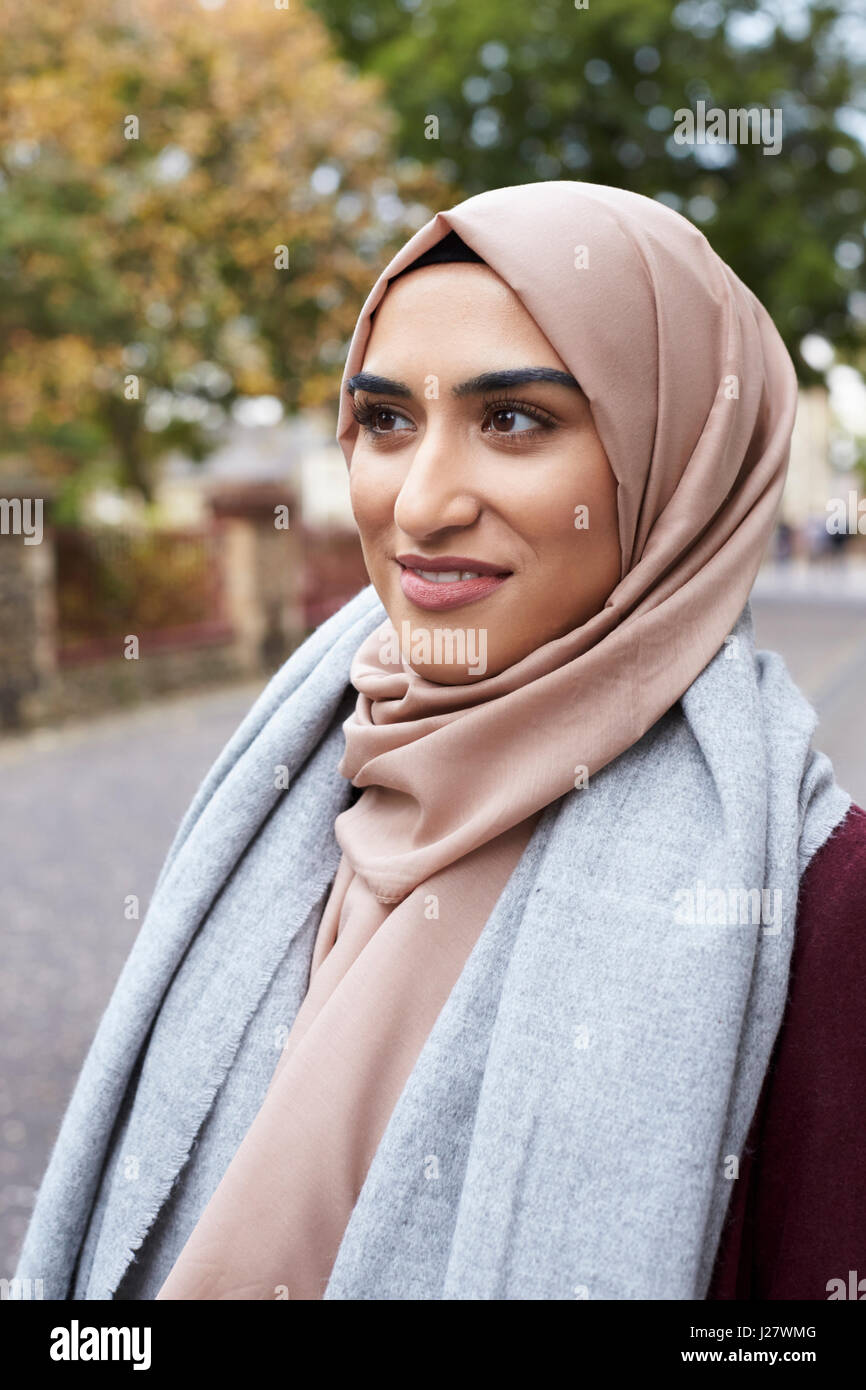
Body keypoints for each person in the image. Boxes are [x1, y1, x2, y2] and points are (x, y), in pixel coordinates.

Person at [13, 181, 866, 1302]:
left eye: (512, 420)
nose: (419, 503)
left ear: (677, 464)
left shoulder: (818, 903)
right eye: (383, 420)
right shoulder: (300, 775)